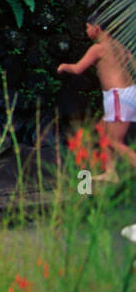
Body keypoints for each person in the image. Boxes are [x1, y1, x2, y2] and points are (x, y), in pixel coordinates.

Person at [58, 16, 136, 178]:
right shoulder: (119, 46)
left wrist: (64, 66)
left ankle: (112, 172)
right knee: (103, 132)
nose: (86, 32)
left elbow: (78, 68)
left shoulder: (98, 49)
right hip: (128, 94)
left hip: (117, 97)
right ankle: (110, 172)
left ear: (97, 28)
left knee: (115, 141)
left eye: (88, 27)